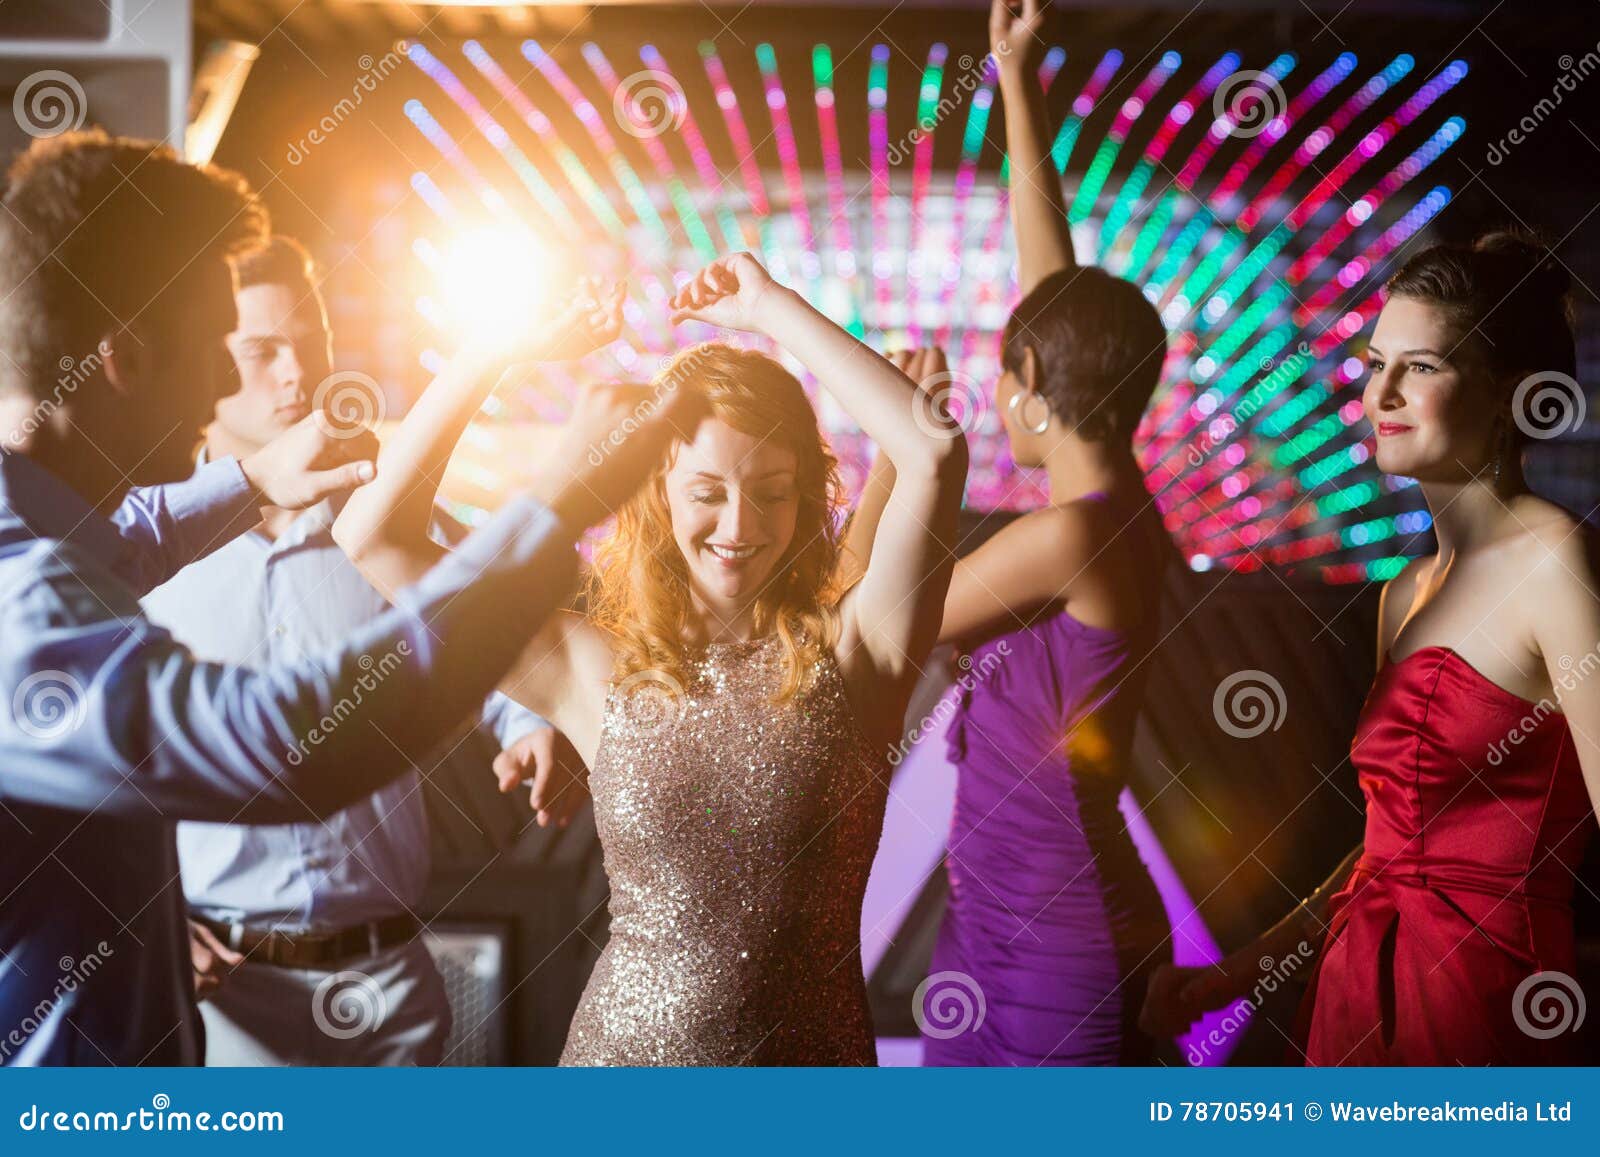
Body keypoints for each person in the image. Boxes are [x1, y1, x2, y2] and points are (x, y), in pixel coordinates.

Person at [0, 130, 700, 1065]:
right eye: (221, 344)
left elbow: (124, 536)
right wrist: (557, 504)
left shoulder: (50, 528)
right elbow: (277, 744)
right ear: (122, 358)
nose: (228, 379)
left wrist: (251, 479)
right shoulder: (23, 598)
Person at [332, 252, 969, 1065]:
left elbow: (934, 450)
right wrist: (494, 350)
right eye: (707, 490)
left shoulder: (858, 651)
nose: (740, 522)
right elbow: (371, 535)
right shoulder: (590, 667)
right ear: (659, 490)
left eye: (772, 490)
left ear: (806, 494)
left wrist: (773, 309)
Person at [1141, 233, 1600, 1066]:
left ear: (1505, 396)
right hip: (1357, 997)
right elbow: (1386, 853)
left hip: (1490, 1013)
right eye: (1373, 361)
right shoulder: (1403, 593)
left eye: (1421, 367)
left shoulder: (1552, 557)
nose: (1381, 391)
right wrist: (1235, 975)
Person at [844, 0, 1178, 1066]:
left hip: (1056, 940)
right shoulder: (1108, 503)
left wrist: (899, 443)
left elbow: (868, 619)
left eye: (1006, 370)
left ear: (1034, 389)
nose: (994, 390)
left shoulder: (1068, 540)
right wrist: (1014, 81)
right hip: (998, 919)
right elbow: (1058, 305)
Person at [140, 236, 566, 1066]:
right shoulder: (145, 554)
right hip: (221, 1004)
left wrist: (531, 721)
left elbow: (487, 617)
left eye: (313, 344)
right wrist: (141, 920)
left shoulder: (388, 520)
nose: (298, 373)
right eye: (261, 351)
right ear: (202, 362)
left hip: (390, 991)